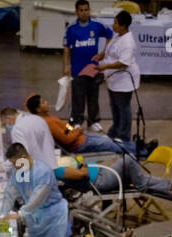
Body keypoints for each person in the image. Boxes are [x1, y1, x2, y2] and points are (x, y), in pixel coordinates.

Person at [0, 142, 71, 237]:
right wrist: (3, 213)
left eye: (14, 163)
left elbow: (38, 199)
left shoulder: (43, 171)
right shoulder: (20, 171)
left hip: (54, 217)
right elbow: (10, 192)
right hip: (36, 218)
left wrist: (20, 214)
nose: (14, 167)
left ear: (23, 157)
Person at [63, 0, 110, 129]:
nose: (84, 13)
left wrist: (103, 52)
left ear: (89, 10)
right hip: (77, 70)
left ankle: (93, 121)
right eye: (81, 10)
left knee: (93, 96)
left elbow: (110, 36)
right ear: (76, 12)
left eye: (86, 10)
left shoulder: (97, 25)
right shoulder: (71, 28)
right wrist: (66, 66)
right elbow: (66, 48)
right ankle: (77, 121)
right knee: (77, 97)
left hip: (93, 68)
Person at [94, 11, 139, 146]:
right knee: (114, 107)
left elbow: (123, 63)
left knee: (123, 108)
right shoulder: (118, 35)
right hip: (113, 79)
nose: (113, 25)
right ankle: (115, 131)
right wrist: (101, 55)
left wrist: (105, 66)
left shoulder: (128, 42)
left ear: (123, 26)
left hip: (124, 80)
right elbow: (110, 50)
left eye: (115, 23)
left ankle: (124, 135)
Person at [33, 95, 130, 155]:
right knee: (109, 143)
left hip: (81, 138)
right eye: (43, 102)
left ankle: (134, 147)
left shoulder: (48, 117)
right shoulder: (48, 123)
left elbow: (65, 130)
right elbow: (67, 140)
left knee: (108, 139)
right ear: (38, 109)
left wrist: (71, 126)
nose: (46, 102)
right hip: (79, 144)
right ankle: (137, 151)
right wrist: (78, 131)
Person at [0, 102, 57, 171]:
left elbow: (19, 153)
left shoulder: (17, 129)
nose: (7, 126)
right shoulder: (36, 118)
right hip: (50, 163)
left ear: (8, 118)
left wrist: (3, 167)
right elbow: (50, 141)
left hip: (37, 169)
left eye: (6, 124)